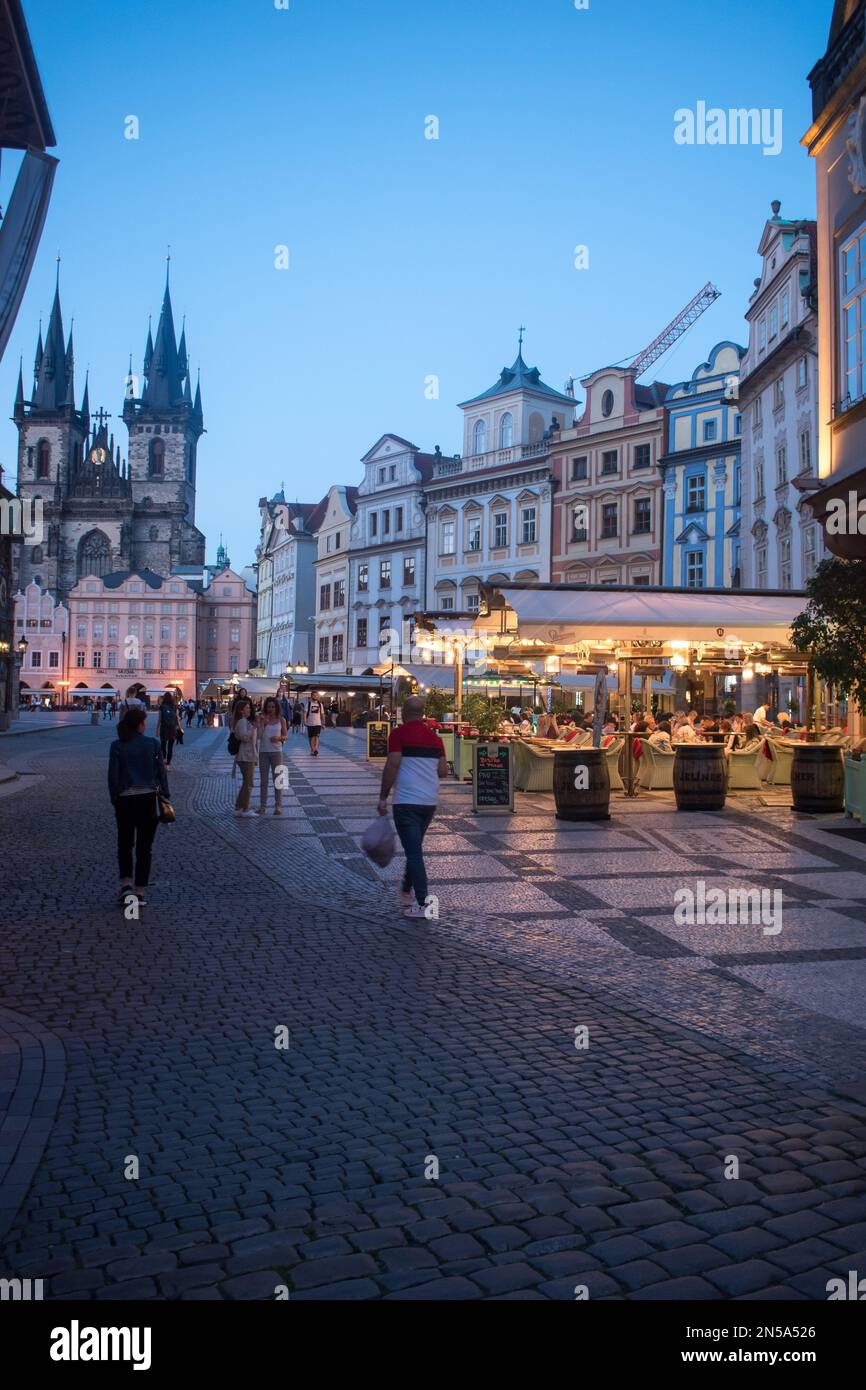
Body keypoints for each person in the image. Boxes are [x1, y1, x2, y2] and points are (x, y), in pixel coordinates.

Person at [377, 695, 448, 920]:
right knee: (414, 847)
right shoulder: (435, 739)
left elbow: (392, 765)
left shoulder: (398, 734)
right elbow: (443, 771)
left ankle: (424, 903)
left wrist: (382, 797)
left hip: (406, 802)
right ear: (423, 713)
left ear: (404, 713)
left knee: (414, 851)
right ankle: (406, 889)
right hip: (429, 802)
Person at [108, 706, 169, 908]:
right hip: (148, 800)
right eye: (144, 722)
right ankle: (139, 891)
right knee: (144, 847)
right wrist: (166, 796)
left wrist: (115, 798)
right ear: (140, 725)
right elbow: (161, 773)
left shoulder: (117, 745)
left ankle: (126, 885)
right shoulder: (152, 744)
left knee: (125, 844)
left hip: (125, 800)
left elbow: (113, 777)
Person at [257, 696, 287, 815]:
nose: (271, 709)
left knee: (278, 780)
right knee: (264, 781)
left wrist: (279, 738)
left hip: (277, 752)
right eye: (269, 707)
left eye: (273, 707)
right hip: (263, 752)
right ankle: (263, 806)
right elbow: (258, 736)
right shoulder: (261, 718)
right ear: (265, 707)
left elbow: (285, 736)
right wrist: (263, 724)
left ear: (276, 708)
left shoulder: (281, 720)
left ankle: (278, 805)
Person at [231, 698, 258, 815]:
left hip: (247, 755)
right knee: (249, 783)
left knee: (247, 782)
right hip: (245, 756)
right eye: (247, 708)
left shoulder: (245, 721)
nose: (250, 709)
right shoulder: (242, 721)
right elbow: (244, 737)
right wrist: (253, 728)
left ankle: (239, 806)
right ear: (242, 711)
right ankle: (245, 809)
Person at [158, 693, 181, 766]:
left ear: (164, 698)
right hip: (172, 728)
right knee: (170, 747)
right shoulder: (175, 707)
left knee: (163, 745)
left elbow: (159, 719)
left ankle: (164, 759)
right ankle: (168, 764)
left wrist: (156, 729)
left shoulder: (161, 707)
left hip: (164, 728)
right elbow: (177, 718)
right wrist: (180, 728)